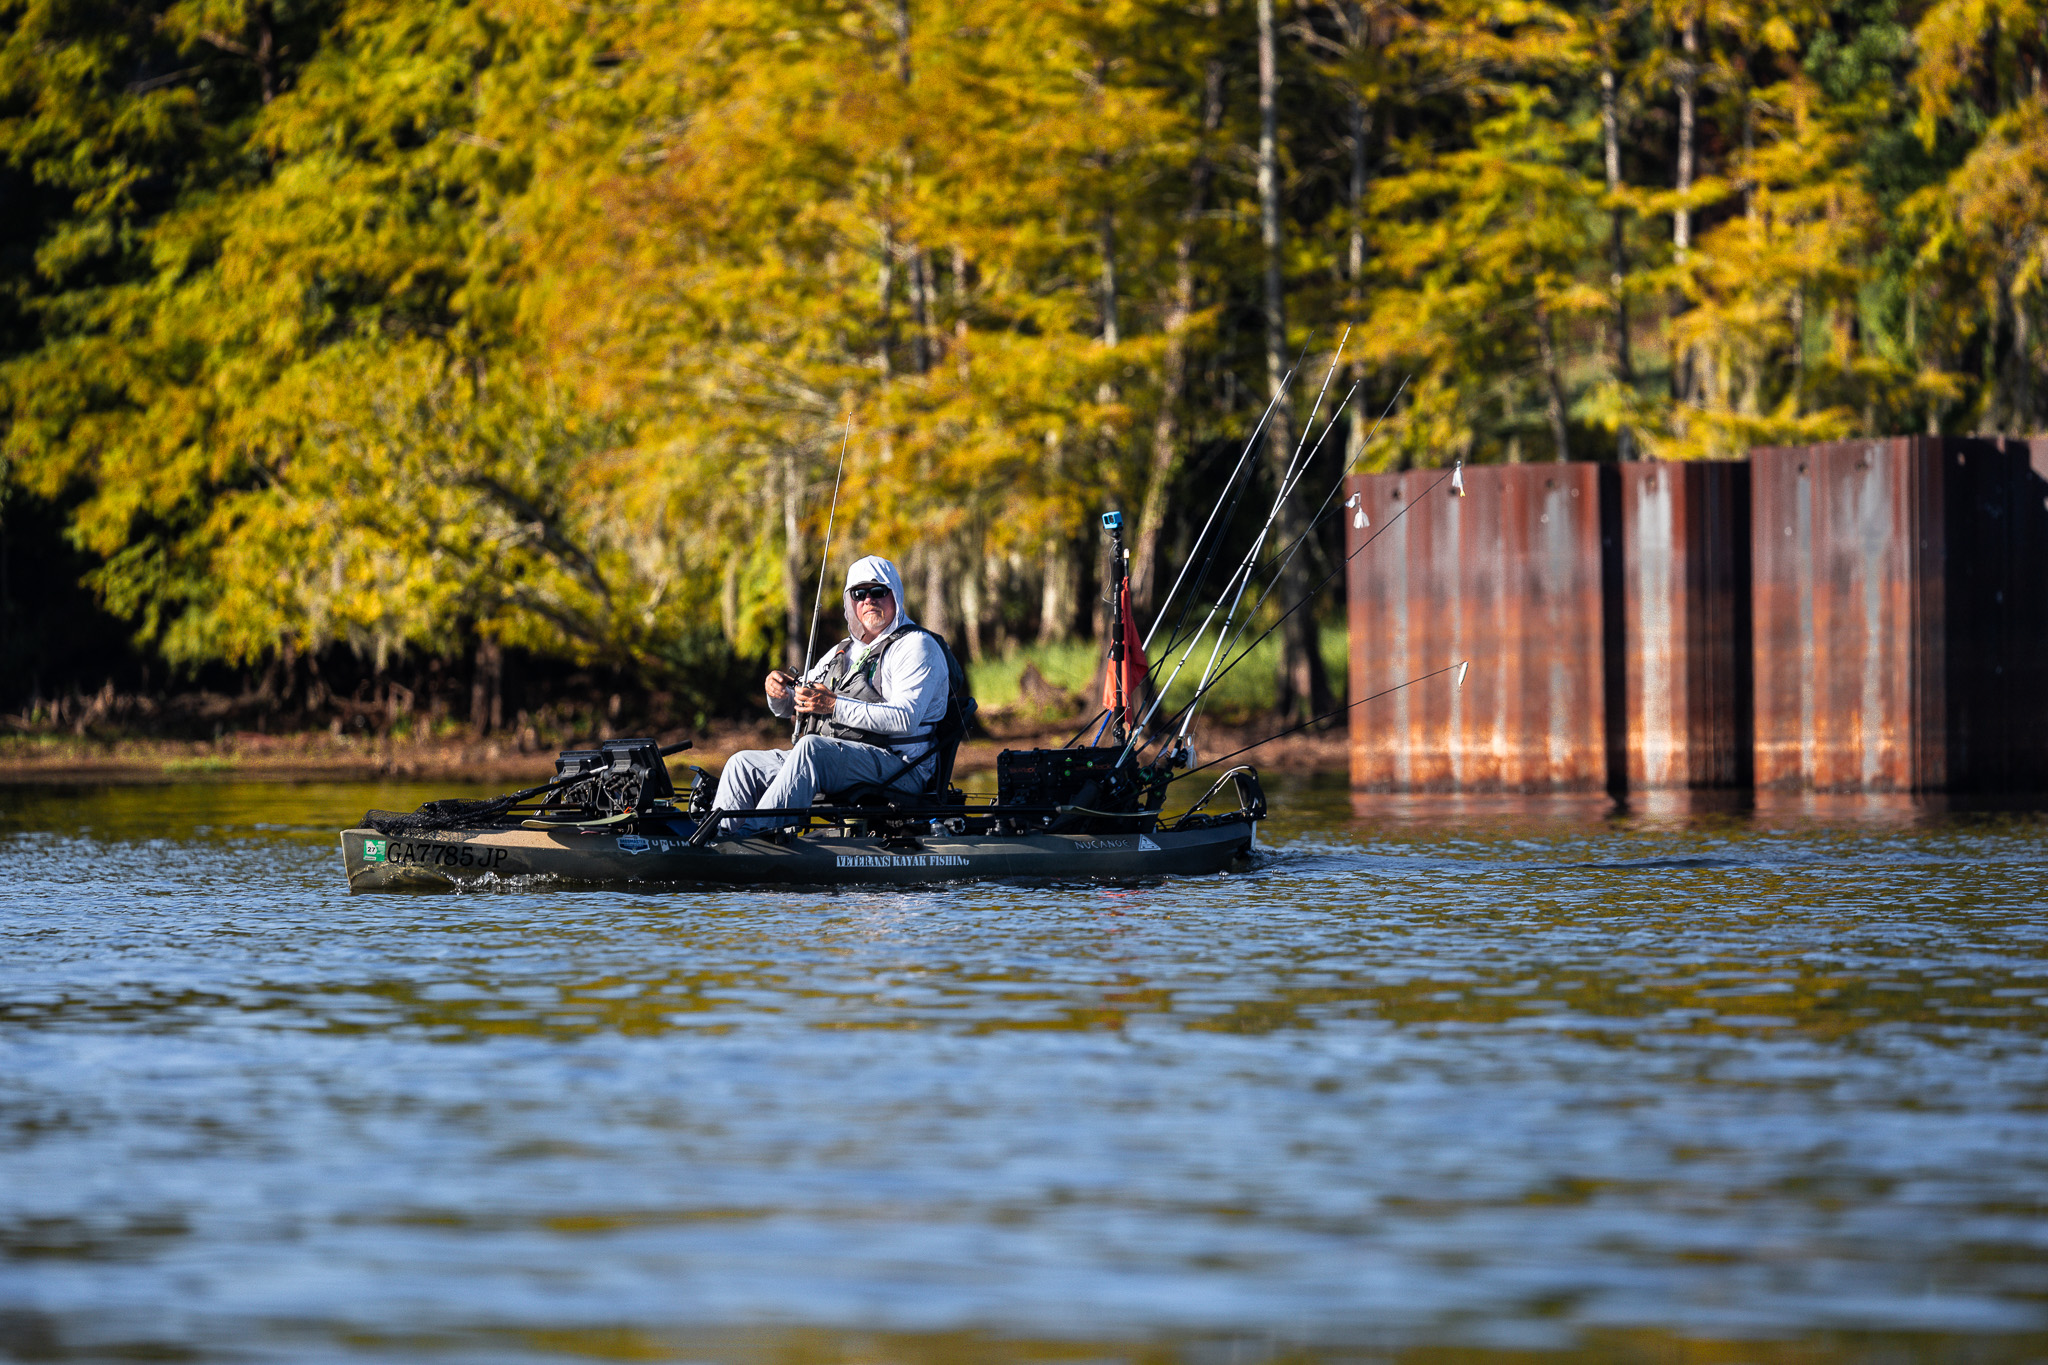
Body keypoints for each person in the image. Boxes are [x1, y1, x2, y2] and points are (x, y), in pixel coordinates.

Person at [712, 554, 950, 836]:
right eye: (859, 594)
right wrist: (778, 693)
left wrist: (833, 705)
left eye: (878, 592)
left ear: (894, 594)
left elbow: (905, 719)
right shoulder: (844, 650)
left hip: (901, 768)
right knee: (742, 764)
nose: (868, 600)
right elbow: (796, 704)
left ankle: (752, 840)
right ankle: (718, 841)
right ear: (850, 601)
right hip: (841, 755)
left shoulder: (916, 646)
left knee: (811, 750)